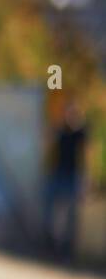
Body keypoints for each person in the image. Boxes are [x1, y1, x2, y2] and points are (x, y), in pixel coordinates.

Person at [43, 98, 88, 261]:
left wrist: (84, 179)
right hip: (57, 174)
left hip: (72, 176)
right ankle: (51, 247)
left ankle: (67, 252)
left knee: (71, 217)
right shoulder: (60, 130)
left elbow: (87, 155)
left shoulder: (81, 133)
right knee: (51, 213)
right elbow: (47, 144)